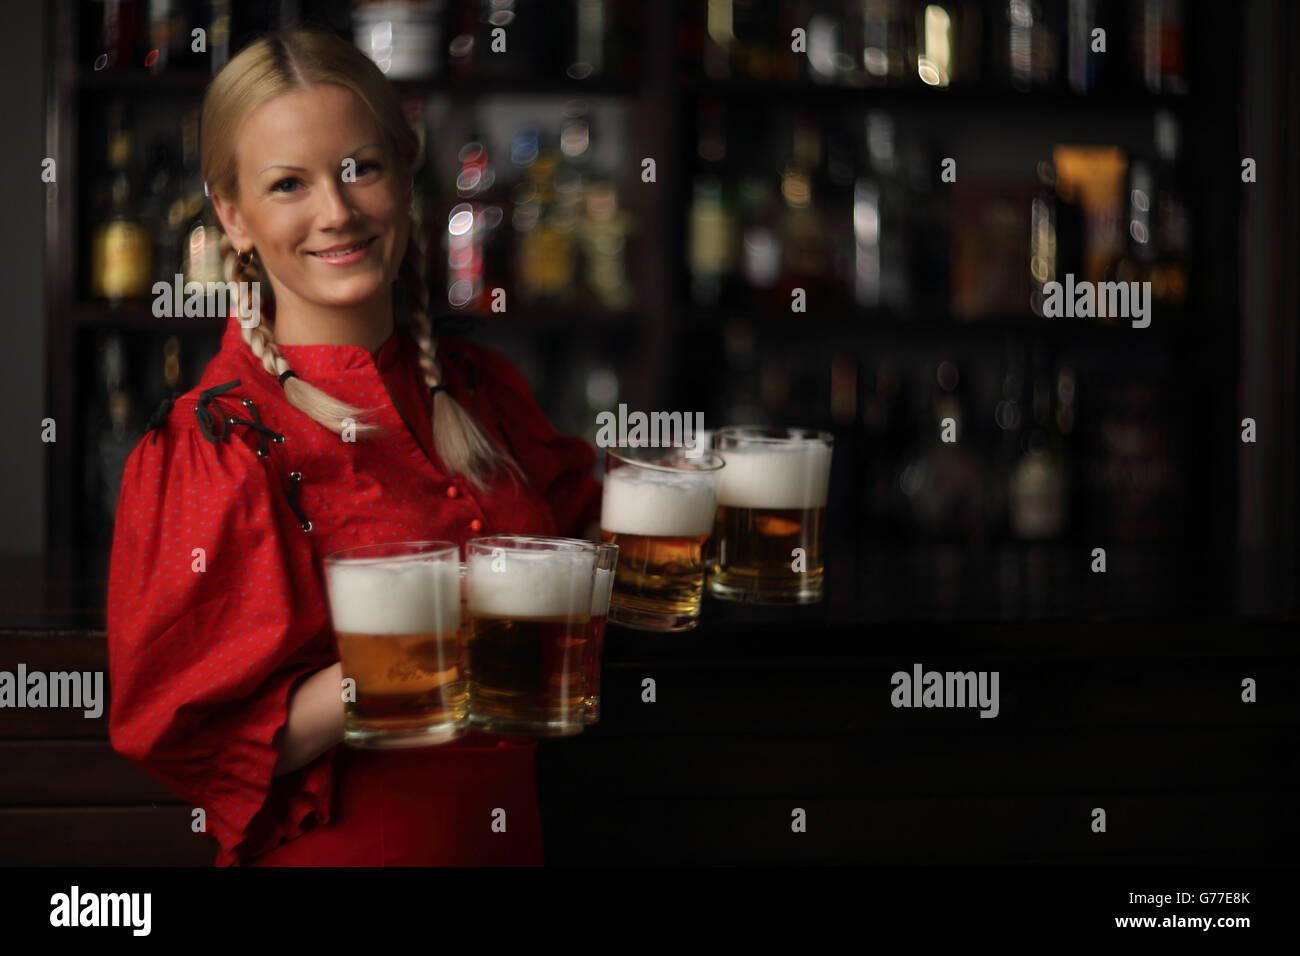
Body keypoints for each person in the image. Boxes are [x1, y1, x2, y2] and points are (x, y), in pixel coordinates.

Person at [106, 29, 602, 866]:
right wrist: (412, 653)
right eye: (288, 184)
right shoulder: (212, 441)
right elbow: (182, 730)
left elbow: (591, 532)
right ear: (232, 215)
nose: (336, 211)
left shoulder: (480, 386)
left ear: (406, 178)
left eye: (361, 167)